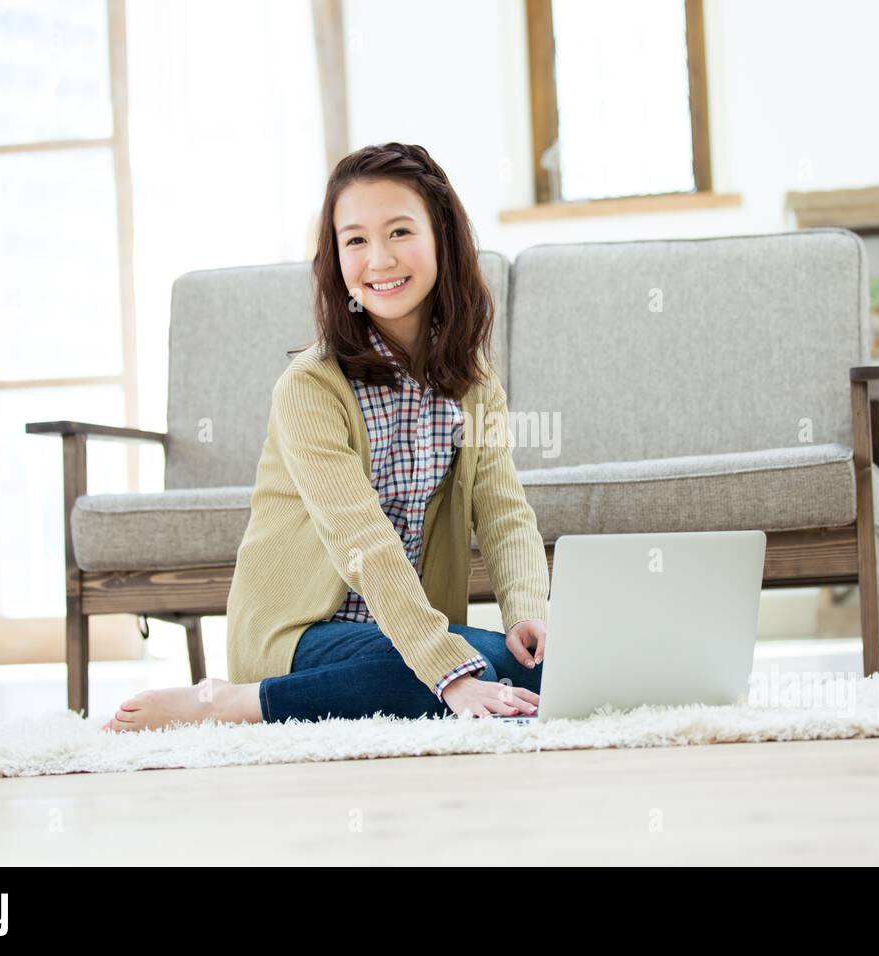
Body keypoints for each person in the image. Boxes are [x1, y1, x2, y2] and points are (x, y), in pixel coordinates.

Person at [103, 143, 549, 732]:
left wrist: (527, 614)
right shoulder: (309, 387)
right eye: (356, 240)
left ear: (442, 237)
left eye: (399, 231)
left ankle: (446, 668)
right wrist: (448, 668)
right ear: (335, 258)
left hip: (405, 628)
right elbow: (361, 537)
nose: (380, 259)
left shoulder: (477, 383)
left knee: (535, 667)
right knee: (460, 673)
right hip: (298, 634)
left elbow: (503, 511)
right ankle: (227, 703)